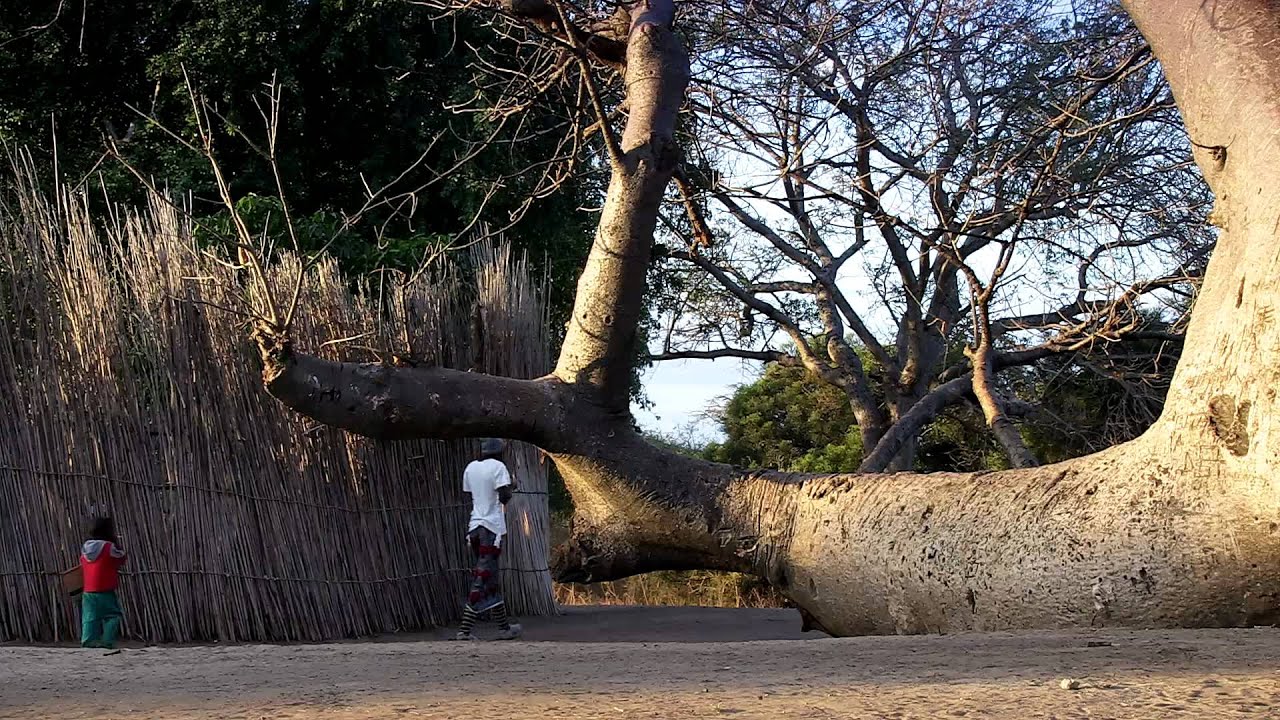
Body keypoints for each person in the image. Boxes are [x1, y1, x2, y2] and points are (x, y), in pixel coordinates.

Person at [455, 438, 522, 641]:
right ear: (499, 453)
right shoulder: (499, 467)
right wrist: (512, 486)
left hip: (474, 527)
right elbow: (504, 497)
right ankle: (464, 630)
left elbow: (472, 495)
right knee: (482, 577)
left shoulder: (471, 468)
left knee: (490, 578)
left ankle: (504, 628)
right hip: (491, 529)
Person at [80, 516, 126, 653]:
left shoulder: (85, 548)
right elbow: (121, 557)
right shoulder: (108, 546)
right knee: (113, 615)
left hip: (88, 588)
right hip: (105, 587)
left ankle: (88, 641)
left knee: (90, 617)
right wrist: (117, 543)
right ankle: (107, 641)